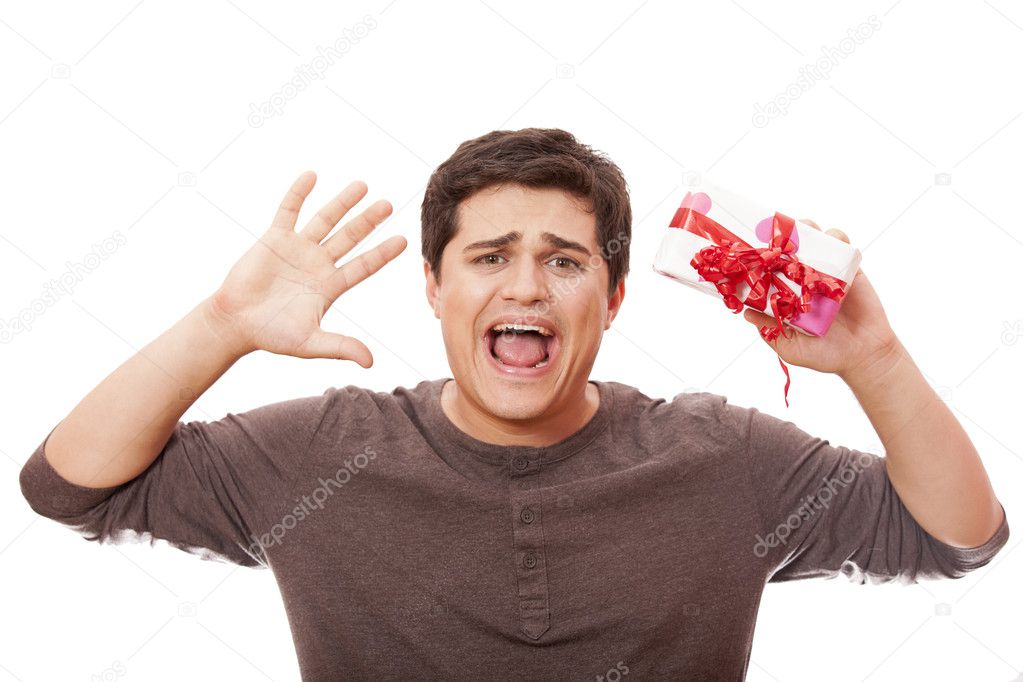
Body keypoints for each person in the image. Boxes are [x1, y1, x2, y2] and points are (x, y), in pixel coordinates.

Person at [19, 128, 1010, 680]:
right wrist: (222, 324)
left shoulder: (722, 457)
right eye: (489, 258)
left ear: (612, 298)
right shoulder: (321, 452)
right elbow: (70, 484)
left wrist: (875, 359)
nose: (527, 287)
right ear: (434, 288)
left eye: (565, 262)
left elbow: (955, 536)